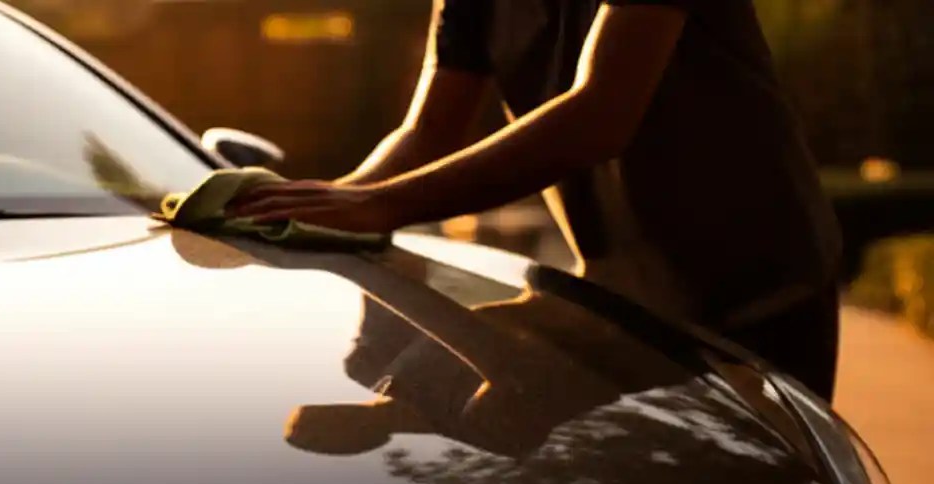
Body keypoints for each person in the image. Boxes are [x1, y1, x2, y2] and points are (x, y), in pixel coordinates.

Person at [228, 0, 844, 401]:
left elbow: (602, 113)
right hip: (618, 295)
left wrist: (381, 205)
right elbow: (431, 131)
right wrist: (329, 200)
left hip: (759, 292)